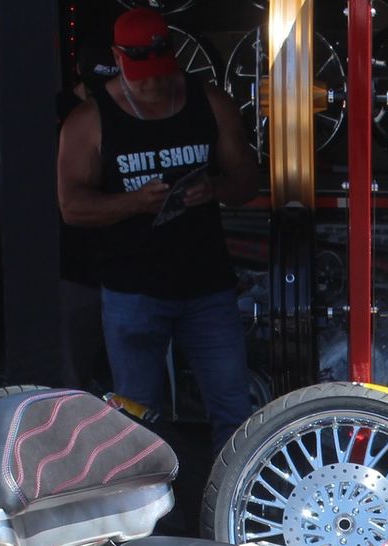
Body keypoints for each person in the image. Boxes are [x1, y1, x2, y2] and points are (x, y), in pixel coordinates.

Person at [56, 7, 262, 451]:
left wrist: (216, 187)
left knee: (233, 411)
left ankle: (239, 506)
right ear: (117, 56)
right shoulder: (90, 120)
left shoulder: (208, 100)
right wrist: (134, 202)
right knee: (136, 419)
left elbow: (249, 178)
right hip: (133, 292)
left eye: (159, 71)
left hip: (206, 288)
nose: (151, 83)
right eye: (140, 74)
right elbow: (71, 206)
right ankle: (149, 515)